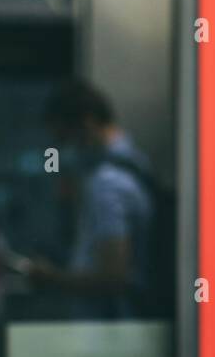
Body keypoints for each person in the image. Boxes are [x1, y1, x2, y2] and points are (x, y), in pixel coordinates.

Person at [19, 78, 155, 321]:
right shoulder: (136, 167)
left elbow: (114, 275)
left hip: (109, 328)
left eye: (66, 140)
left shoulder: (106, 183)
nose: (67, 152)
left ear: (87, 124)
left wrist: (52, 278)